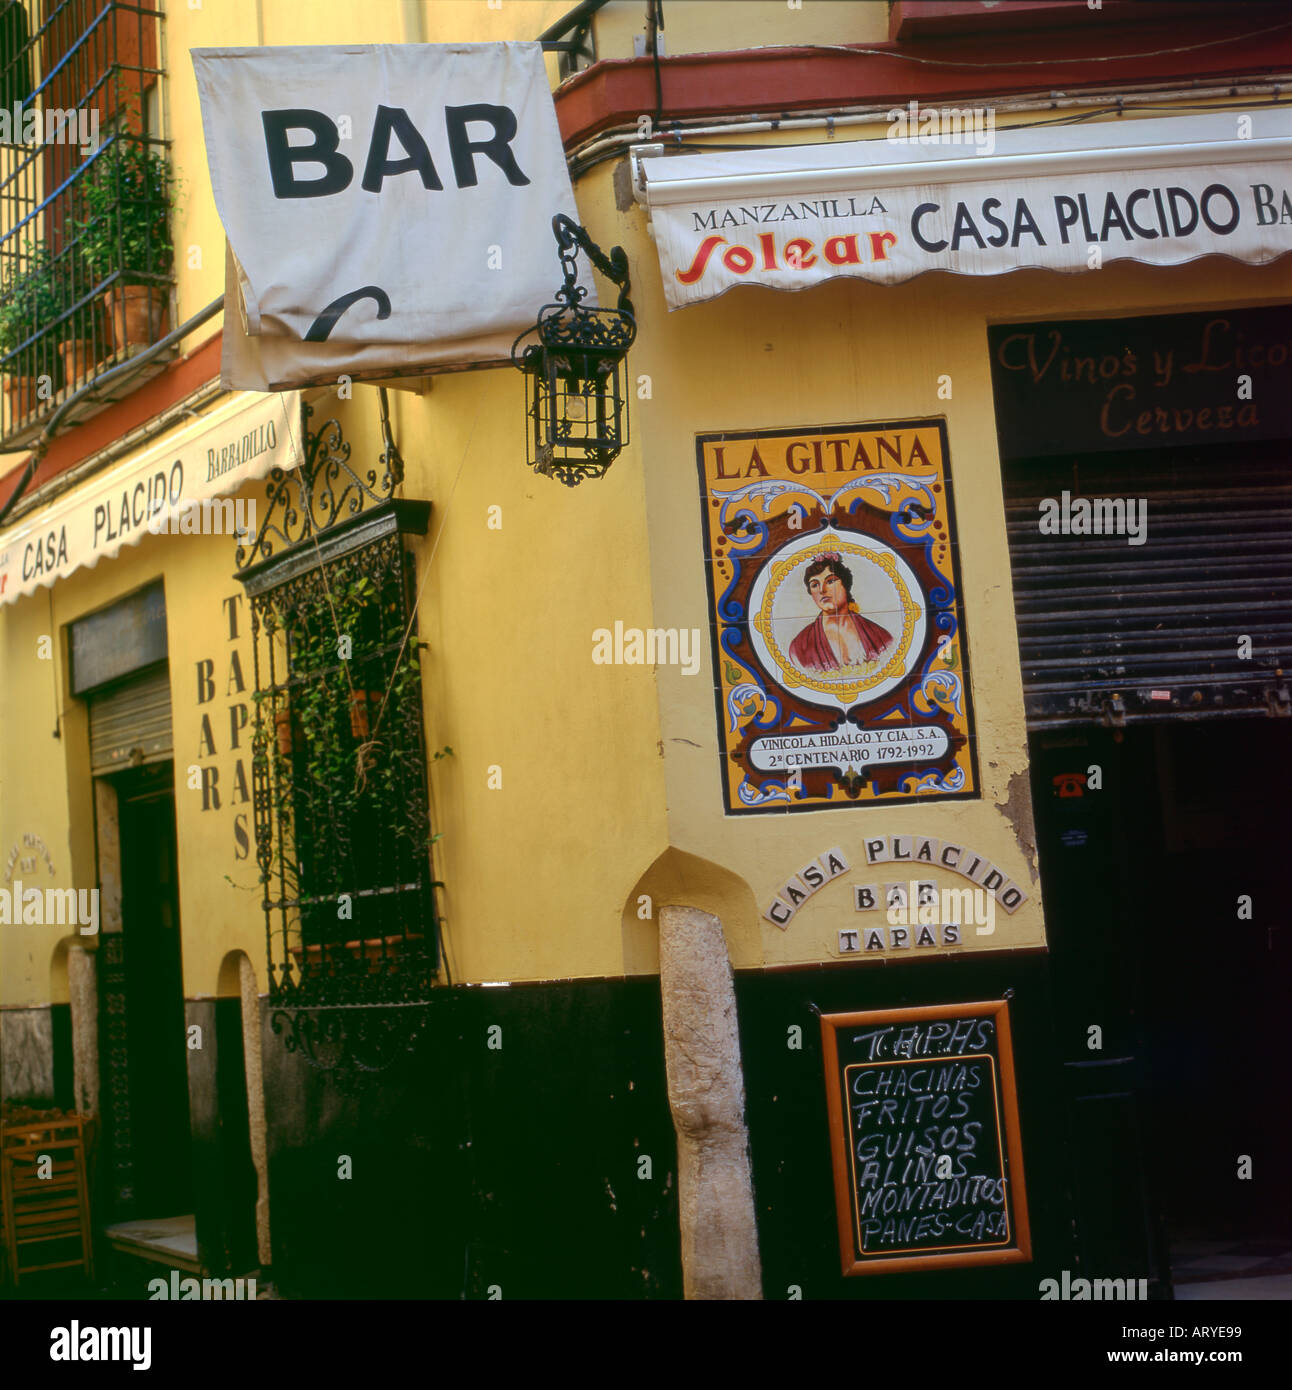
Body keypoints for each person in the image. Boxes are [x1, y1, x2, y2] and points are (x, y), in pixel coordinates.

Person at [788, 552, 894, 674]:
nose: (822, 590)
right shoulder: (800, 647)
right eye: (815, 585)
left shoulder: (880, 637)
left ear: (846, 585)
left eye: (830, 581)